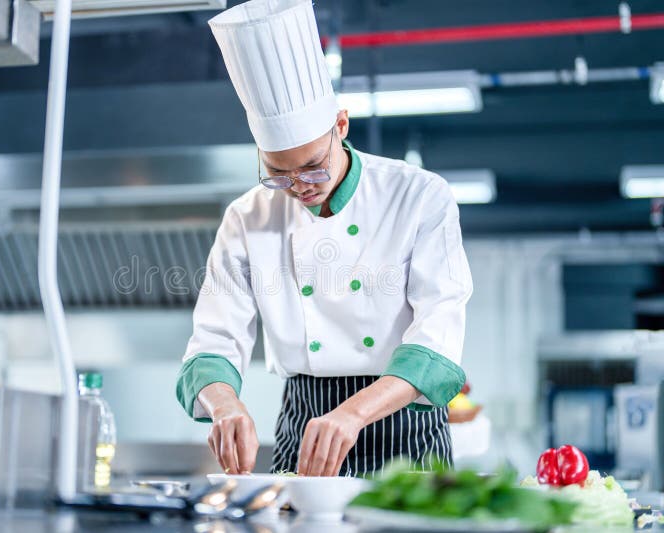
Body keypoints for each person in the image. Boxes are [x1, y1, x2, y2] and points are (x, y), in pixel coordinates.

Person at [175, 0, 473, 477]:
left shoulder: (419, 196)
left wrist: (354, 413)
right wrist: (224, 404)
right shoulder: (247, 217)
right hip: (304, 424)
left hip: (404, 427)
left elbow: (438, 341)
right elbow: (212, 343)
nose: (299, 185)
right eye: (278, 172)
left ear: (341, 126)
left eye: (313, 165)